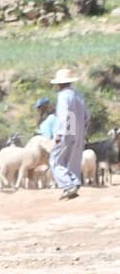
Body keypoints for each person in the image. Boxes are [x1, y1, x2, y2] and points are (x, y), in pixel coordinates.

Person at [48, 67, 89, 199]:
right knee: (74, 159)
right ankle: (75, 183)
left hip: (66, 131)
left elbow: (63, 115)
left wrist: (59, 134)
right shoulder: (78, 95)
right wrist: (83, 131)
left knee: (55, 160)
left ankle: (68, 185)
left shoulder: (63, 96)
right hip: (78, 132)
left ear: (59, 83)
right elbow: (87, 116)